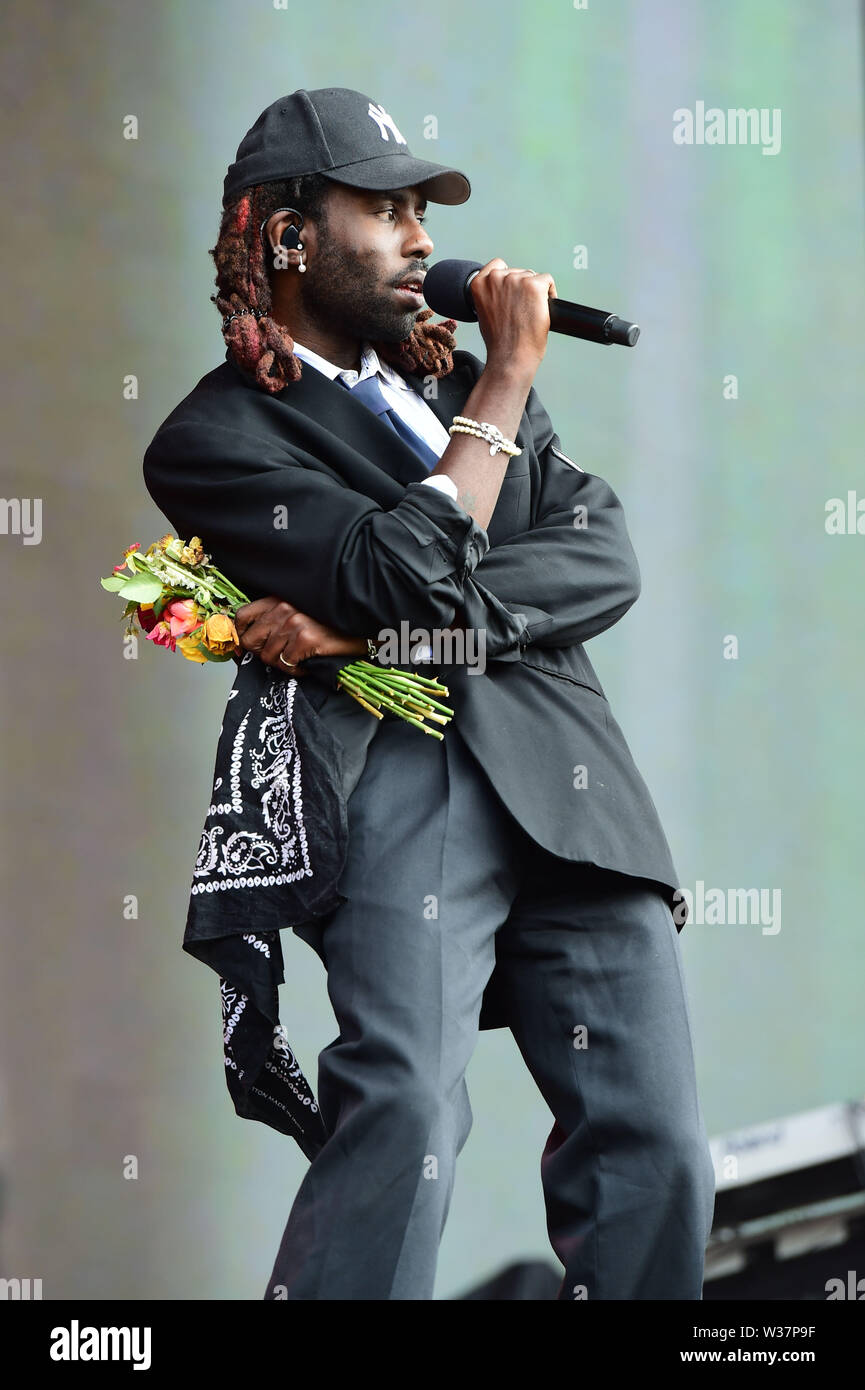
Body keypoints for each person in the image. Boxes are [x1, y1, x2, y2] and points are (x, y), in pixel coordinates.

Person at [143, 86, 716, 1301]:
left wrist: (376, 638)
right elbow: (396, 564)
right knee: (402, 1117)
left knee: (657, 1146)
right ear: (288, 235)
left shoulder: (450, 386)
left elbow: (601, 554)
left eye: (423, 209)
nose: (419, 237)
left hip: (571, 785)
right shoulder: (217, 437)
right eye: (383, 208)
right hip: (403, 790)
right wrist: (504, 383)